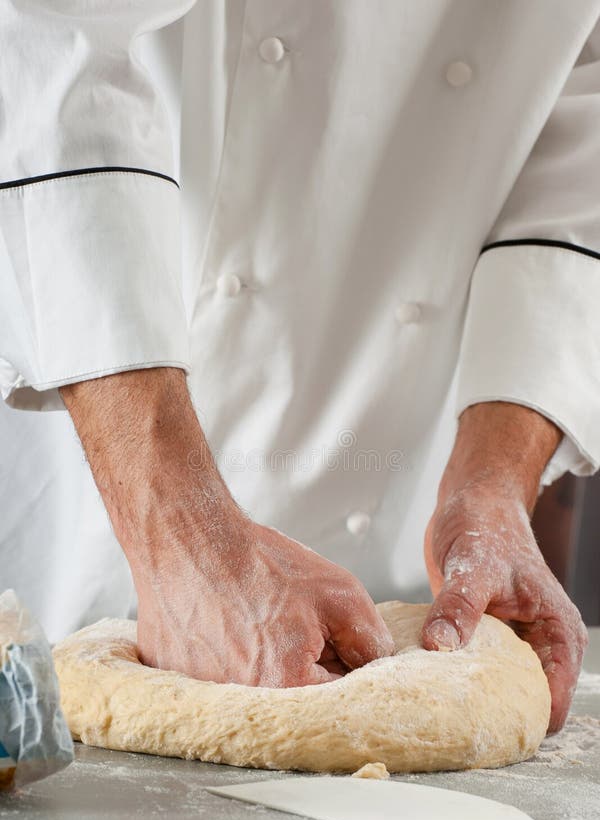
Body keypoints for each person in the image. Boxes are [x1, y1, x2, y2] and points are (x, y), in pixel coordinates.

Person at [1, 2, 598, 733]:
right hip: (107, 400)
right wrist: (178, 533)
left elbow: (584, 122)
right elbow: (48, 49)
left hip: (407, 465)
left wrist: (494, 479)